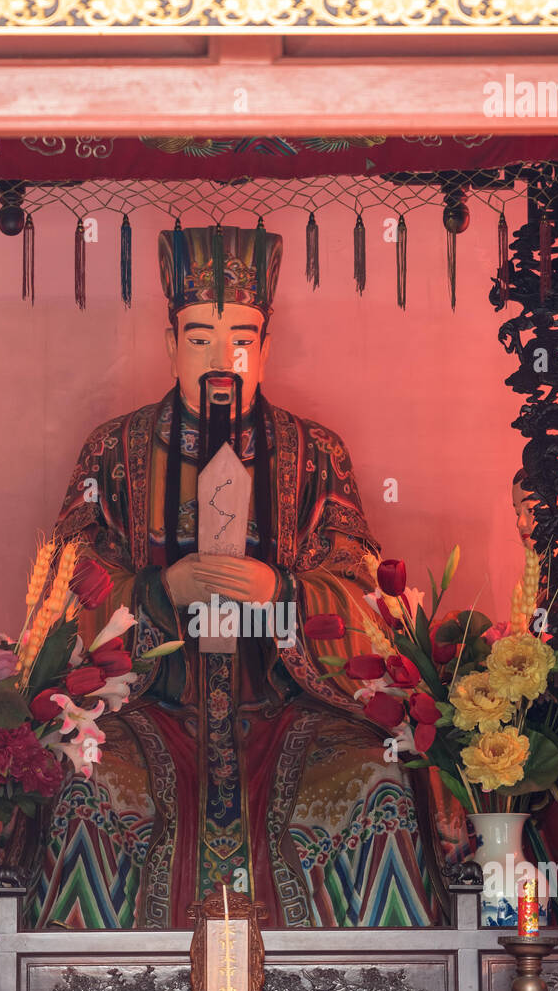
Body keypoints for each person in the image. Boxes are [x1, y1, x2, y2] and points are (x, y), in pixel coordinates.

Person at [26, 225, 444, 929]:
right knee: (85, 781)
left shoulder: (313, 452)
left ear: (267, 345)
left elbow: (363, 594)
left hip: (288, 706)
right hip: (147, 707)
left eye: (242, 338)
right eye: (198, 339)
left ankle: (373, 988)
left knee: (377, 778)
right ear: (168, 344)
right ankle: (85, 989)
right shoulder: (114, 449)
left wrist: (282, 593)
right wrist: (159, 593)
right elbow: (63, 594)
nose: (222, 359)